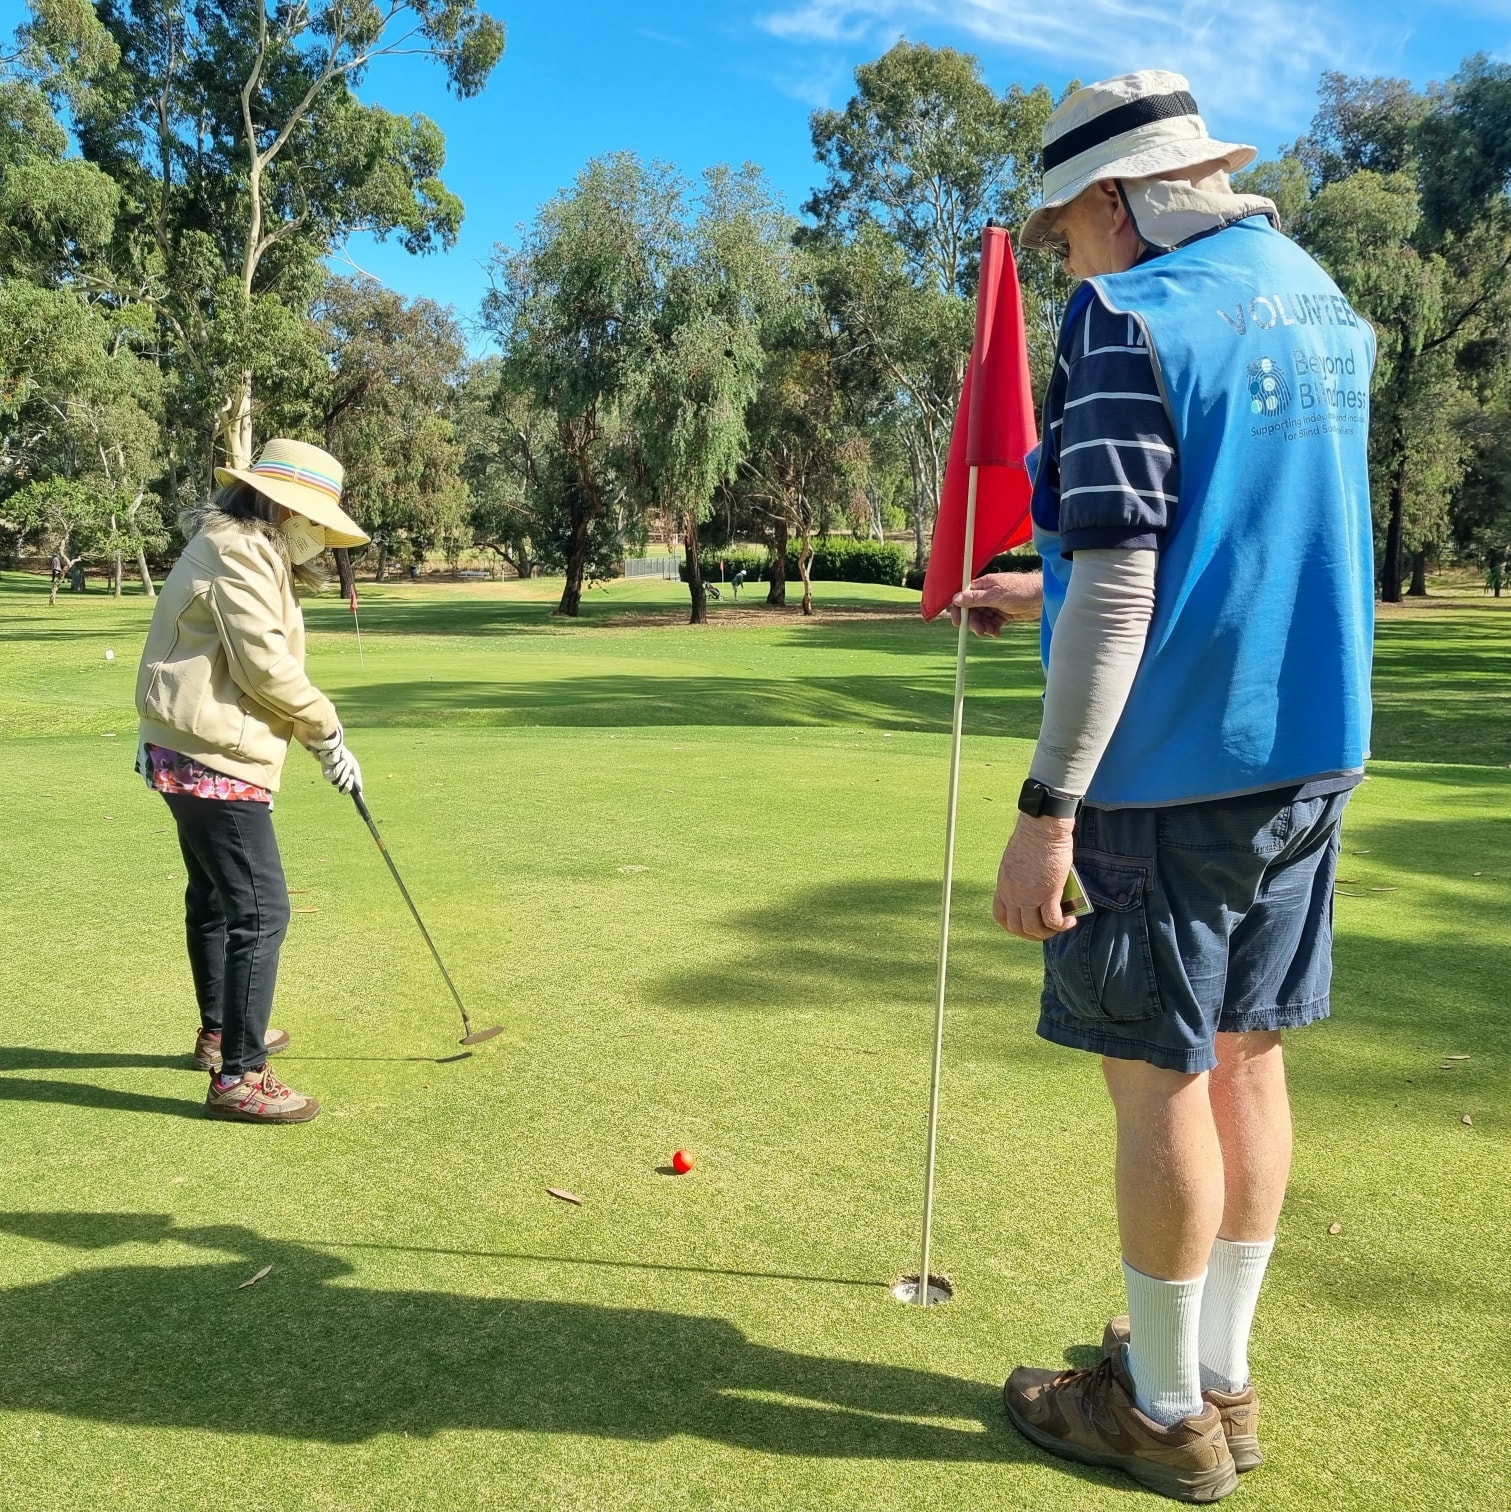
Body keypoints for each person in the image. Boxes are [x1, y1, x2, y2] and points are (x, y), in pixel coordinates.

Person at [953, 72, 1374, 1503]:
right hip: (1307, 751)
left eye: (1067, 223)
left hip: (1168, 768)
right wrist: (1045, 580)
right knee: (1248, 1059)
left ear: (1120, 199)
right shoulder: (1311, 296)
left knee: (1159, 1084)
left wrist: (1044, 809)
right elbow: (1222, 527)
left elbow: (1128, 582)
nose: (1065, 252)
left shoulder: (1121, 315)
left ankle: (1157, 1411)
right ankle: (1217, 1378)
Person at [135, 439, 370, 1124]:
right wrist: (327, 732)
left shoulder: (239, 546)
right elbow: (263, 667)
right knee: (261, 912)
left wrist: (319, 735)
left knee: (215, 898)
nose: (314, 532)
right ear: (276, 505)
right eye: (309, 517)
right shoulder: (239, 550)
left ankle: (221, 1035)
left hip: (191, 748)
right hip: (213, 755)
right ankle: (239, 1075)